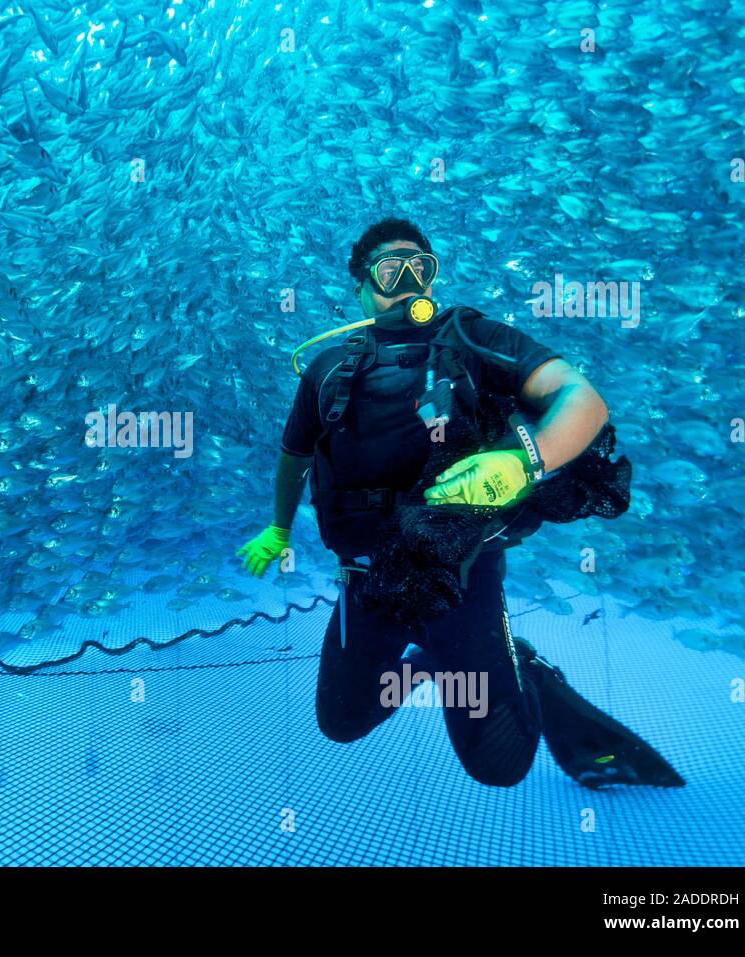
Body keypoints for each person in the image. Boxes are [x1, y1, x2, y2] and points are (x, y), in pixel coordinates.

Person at [238, 218, 683, 789]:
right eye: (390, 271)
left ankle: (525, 670)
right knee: (343, 721)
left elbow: (581, 398)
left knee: (499, 767)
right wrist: (277, 528)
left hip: (462, 576)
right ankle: (426, 664)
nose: (408, 283)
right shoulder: (328, 372)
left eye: (420, 268)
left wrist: (527, 458)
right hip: (366, 581)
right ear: (361, 287)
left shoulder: (473, 339)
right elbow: (294, 456)